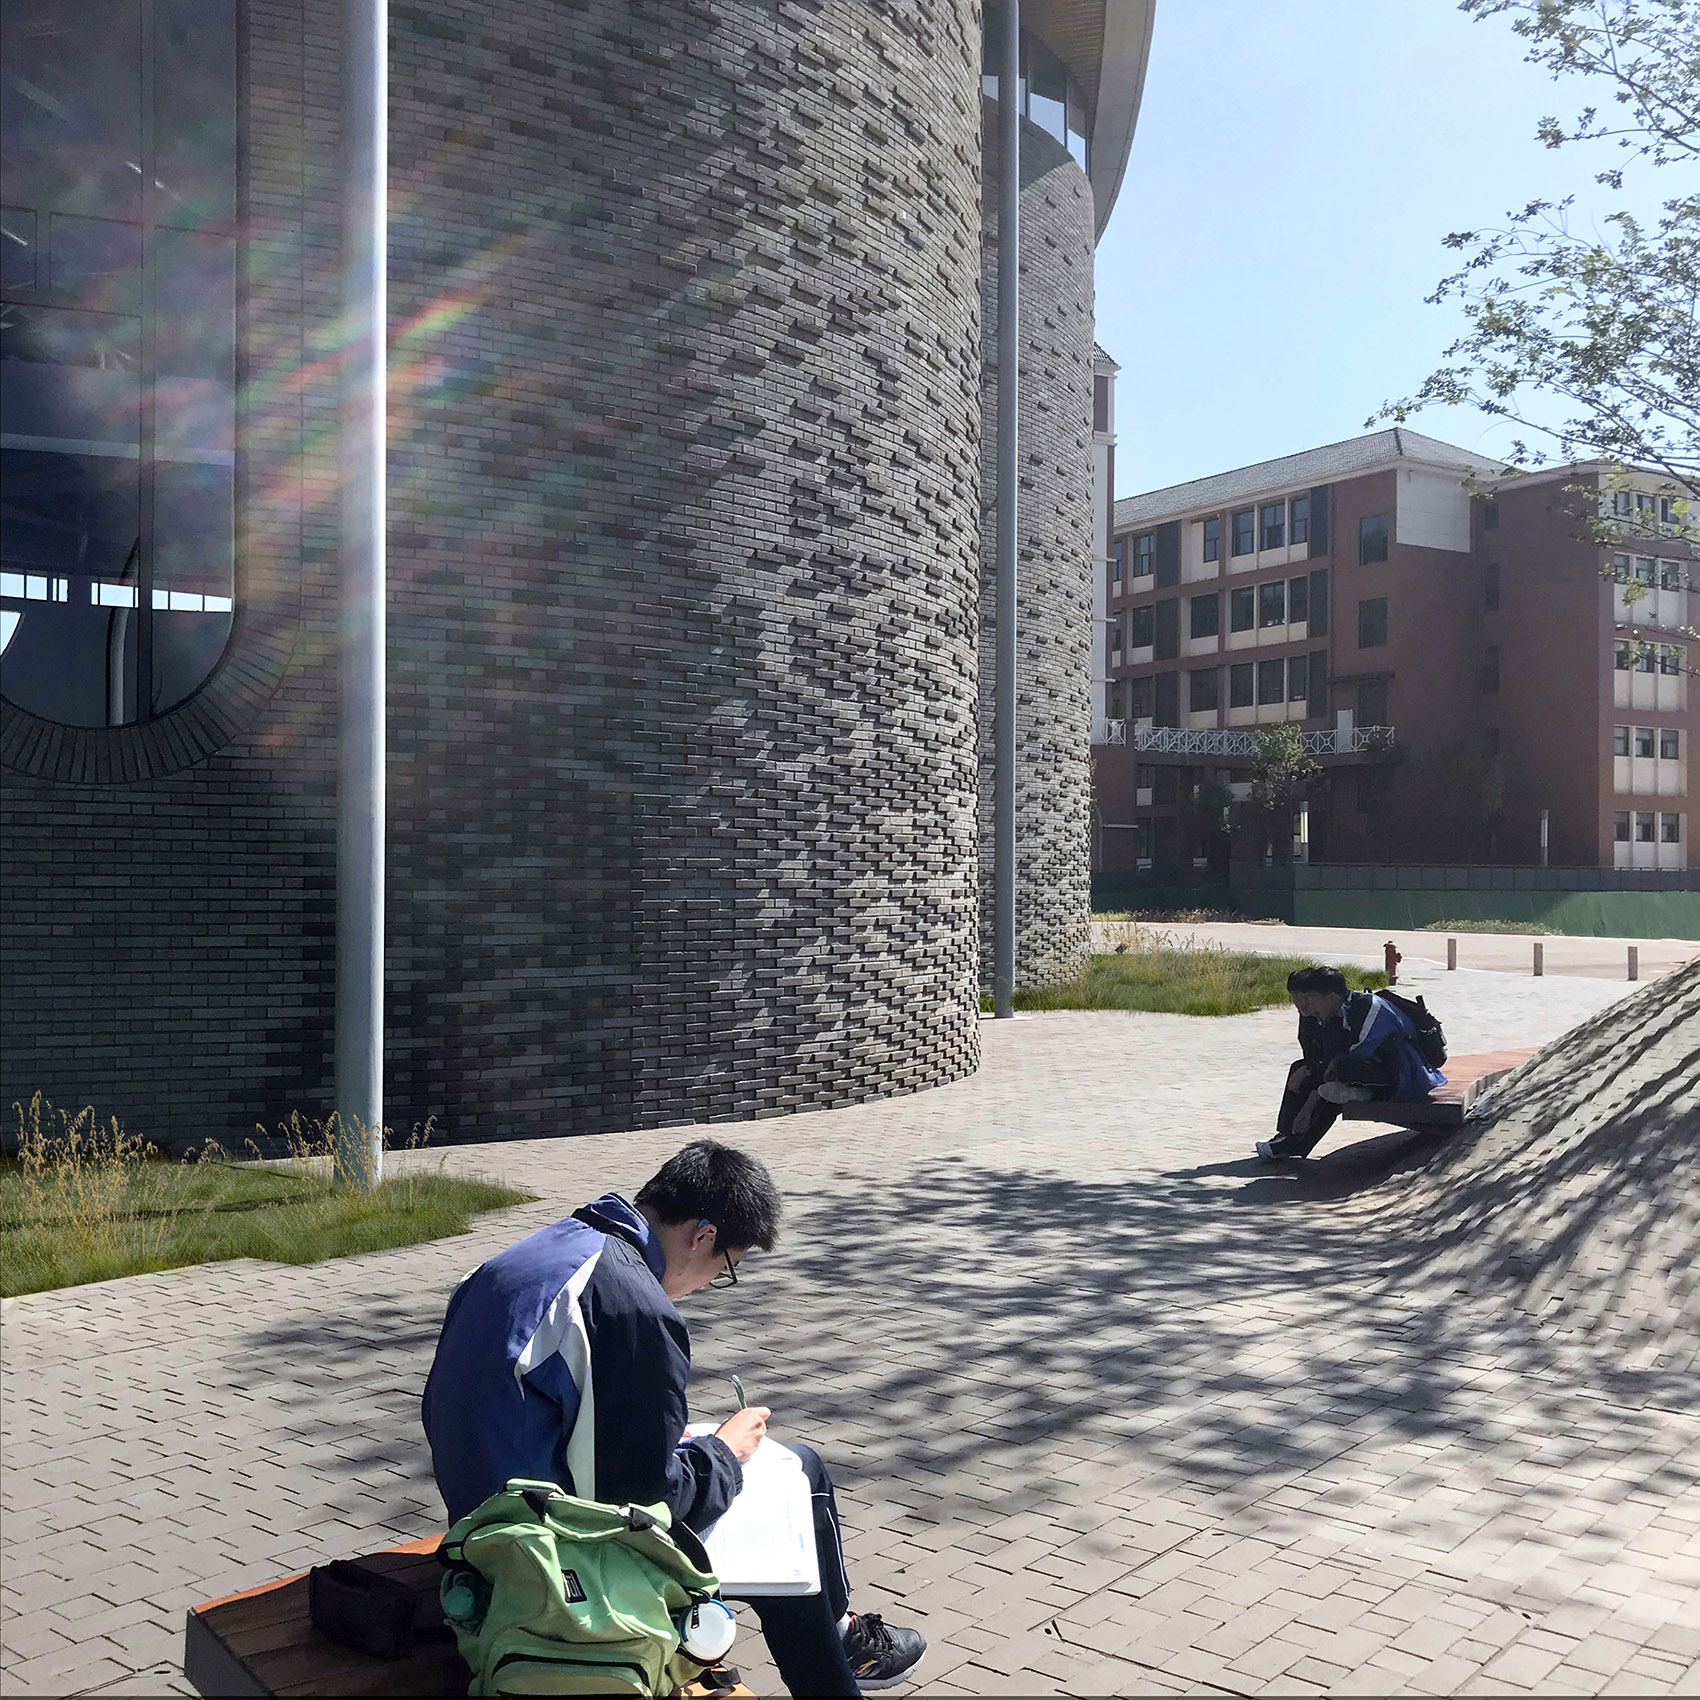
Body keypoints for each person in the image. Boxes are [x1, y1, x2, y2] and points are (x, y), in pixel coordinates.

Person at [421, 1138, 925, 1697]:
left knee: (798, 1469)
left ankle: (840, 1637)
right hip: (546, 1565)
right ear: (704, 1236)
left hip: (481, 1524)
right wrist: (723, 1452)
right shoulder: (634, 1306)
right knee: (785, 1521)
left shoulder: (547, 1250)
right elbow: (640, 1500)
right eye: (726, 1268)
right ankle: (836, 1665)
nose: (712, 1283)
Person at [1256, 965, 1445, 1161]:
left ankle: (1293, 1141)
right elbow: (1325, 1057)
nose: (1304, 1005)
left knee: (1339, 1073)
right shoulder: (1330, 1017)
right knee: (1309, 1070)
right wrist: (1312, 1072)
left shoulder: (1370, 1006)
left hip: (1406, 1076)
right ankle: (1289, 1136)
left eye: (1310, 998)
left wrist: (1313, 1095)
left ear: (1330, 997)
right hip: (1369, 1070)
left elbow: (1359, 1051)